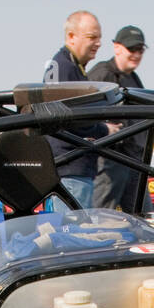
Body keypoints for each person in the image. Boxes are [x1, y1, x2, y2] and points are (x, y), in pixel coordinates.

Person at [43, 11, 109, 208]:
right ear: (71, 36)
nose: (98, 43)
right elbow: (65, 118)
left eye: (99, 38)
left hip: (75, 169)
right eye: (92, 37)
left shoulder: (71, 67)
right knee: (71, 234)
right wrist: (105, 129)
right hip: (70, 170)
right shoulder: (64, 68)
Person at [88, 25, 150, 213]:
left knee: (144, 216)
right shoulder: (102, 74)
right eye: (131, 49)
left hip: (134, 160)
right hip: (110, 157)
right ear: (117, 47)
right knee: (101, 215)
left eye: (140, 50)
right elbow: (83, 113)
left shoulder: (135, 80)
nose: (136, 54)